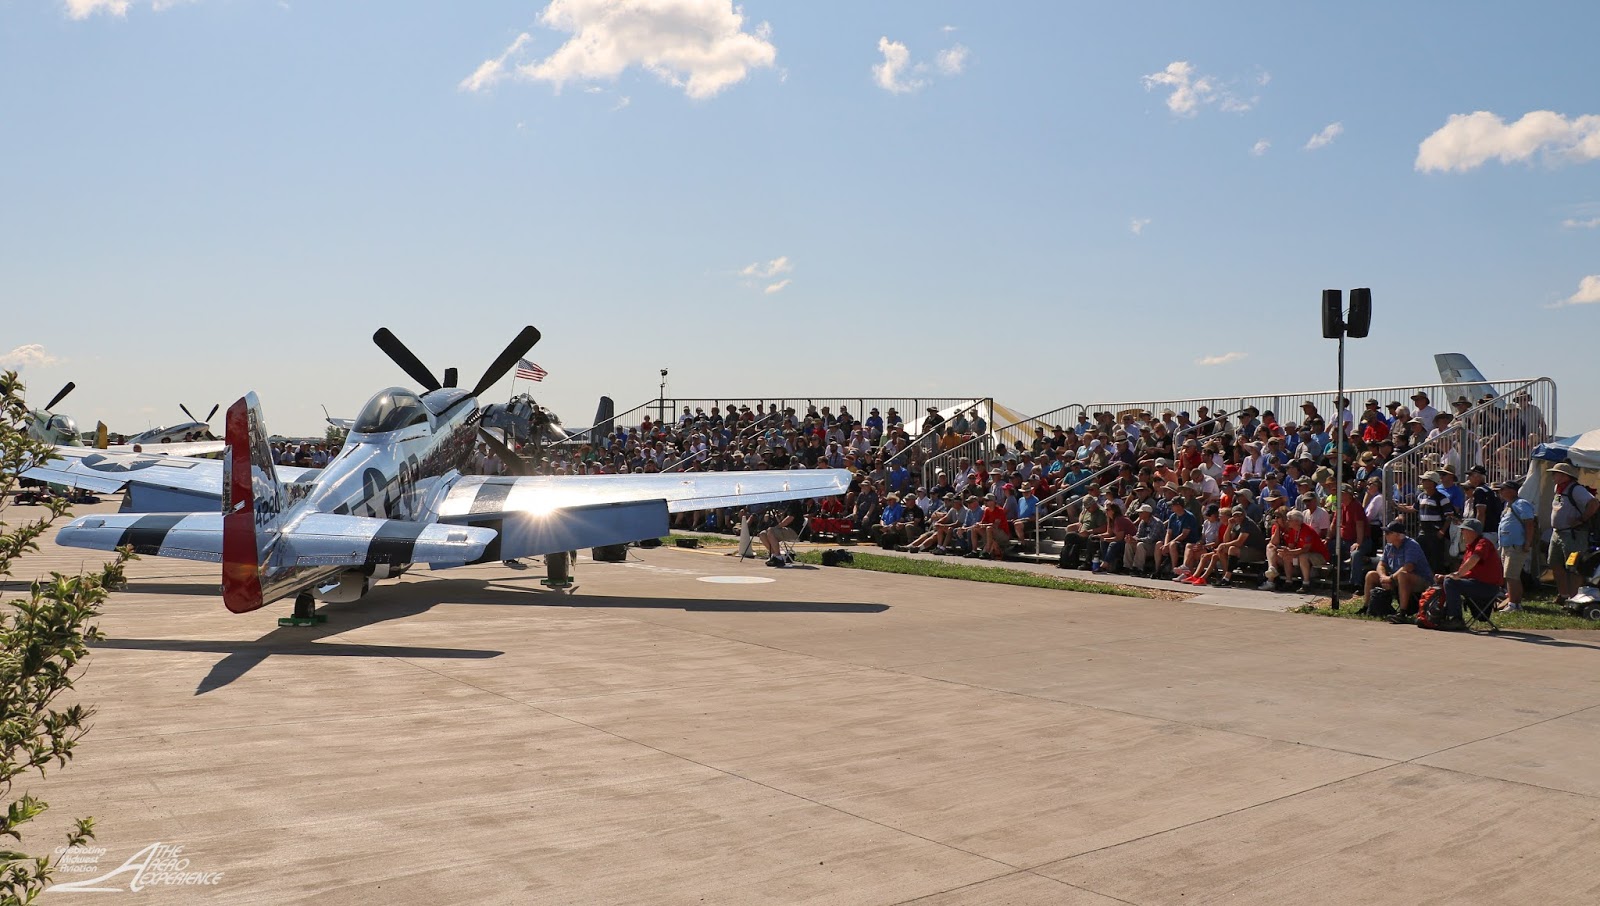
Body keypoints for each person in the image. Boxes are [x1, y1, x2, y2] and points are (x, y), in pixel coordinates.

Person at [1436, 518, 1503, 628]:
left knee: (1450, 583)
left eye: (1464, 530)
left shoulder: (1483, 543)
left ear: (1473, 532)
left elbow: (1475, 559)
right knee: (1447, 580)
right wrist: (1447, 576)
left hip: (1488, 587)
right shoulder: (1470, 547)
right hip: (1476, 584)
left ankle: (1456, 619)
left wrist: (1457, 575)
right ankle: (1441, 615)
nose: (1462, 532)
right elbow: (1464, 571)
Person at [1548, 462, 1599, 604]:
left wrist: (1581, 519)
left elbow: (1594, 503)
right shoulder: (1559, 488)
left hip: (1573, 535)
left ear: (1565, 475)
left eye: (1555, 473)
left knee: (1574, 567)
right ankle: (1563, 594)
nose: (1553, 476)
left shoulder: (1576, 489)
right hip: (1558, 533)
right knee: (1555, 564)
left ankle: (1574, 597)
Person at [1366, 521, 1433, 619]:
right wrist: (1383, 577)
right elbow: (1381, 564)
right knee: (1371, 575)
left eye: (1388, 533)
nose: (1385, 534)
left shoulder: (1411, 545)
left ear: (1398, 535)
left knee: (1403, 575)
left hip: (1421, 581)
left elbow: (1409, 567)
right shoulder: (1389, 546)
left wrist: (1390, 578)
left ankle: (1402, 613)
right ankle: (1366, 607)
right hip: (1396, 578)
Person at [1495, 479, 1537, 611]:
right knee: (1512, 575)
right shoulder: (1508, 505)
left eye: (1503, 489)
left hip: (1517, 545)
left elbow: (1529, 524)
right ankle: (1515, 602)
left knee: (1511, 575)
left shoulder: (1521, 503)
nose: (1500, 492)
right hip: (1507, 545)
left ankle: (1513, 604)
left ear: (1512, 490)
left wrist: (1527, 543)